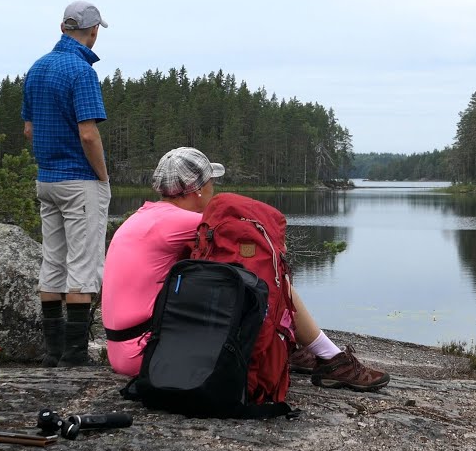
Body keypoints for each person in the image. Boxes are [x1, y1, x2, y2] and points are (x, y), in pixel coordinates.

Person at [101, 146, 390, 392]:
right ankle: (332, 358)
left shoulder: (145, 216)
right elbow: (259, 247)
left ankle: (287, 345)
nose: (215, 189)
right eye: (212, 182)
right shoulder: (181, 222)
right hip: (146, 353)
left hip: (123, 351)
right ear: (199, 190)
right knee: (273, 275)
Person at [22, 0, 112, 367]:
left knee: (53, 262)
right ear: (92, 32)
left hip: (47, 180)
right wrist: (102, 177)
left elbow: (29, 129)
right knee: (83, 266)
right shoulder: (81, 72)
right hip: (80, 181)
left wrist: (50, 160)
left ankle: (53, 352)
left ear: (63, 28)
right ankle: (75, 355)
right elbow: (88, 134)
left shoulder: (36, 69)